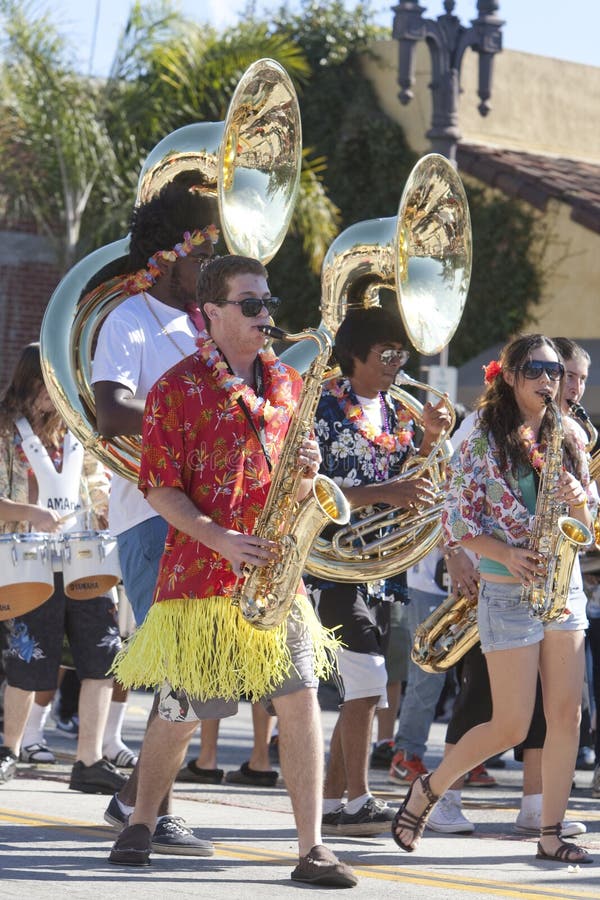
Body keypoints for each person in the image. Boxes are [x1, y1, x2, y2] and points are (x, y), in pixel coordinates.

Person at [106, 254, 357, 888]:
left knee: (301, 702)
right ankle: (139, 822)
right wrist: (220, 539)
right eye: (250, 304)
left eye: (267, 302)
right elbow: (160, 488)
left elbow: (301, 488)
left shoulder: (289, 387)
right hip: (202, 576)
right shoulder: (175, 387)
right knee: (182, 709)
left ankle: (312, 848)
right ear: (211, 313)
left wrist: (308, 467)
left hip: (277, 572)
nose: (265, 314)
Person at [392, 333, 595, 865]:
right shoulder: (480, 436)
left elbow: (589, 525)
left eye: (554, 369)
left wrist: (577, 503)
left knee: (565, 716)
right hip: (507, 589)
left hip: (561, 586)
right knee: (509, 723)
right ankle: (430, 788)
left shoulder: (568, 433)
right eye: (535, 369)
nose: (548, 379)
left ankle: (550, 832)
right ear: (508, 375)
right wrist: (505, 553)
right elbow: (458, 523)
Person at [304, 307, 451, 837]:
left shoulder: (393, 411)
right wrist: (383, 494)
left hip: (375, 567)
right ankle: (359, 798)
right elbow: (307, 489)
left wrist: (430, 442)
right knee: (366, 679)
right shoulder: (319, 408)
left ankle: (332, 804)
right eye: (387, 355)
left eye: (401, 355)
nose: (397, 364)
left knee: (362, 688)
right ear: (355, 356)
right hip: (328, 565)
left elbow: (408, 475)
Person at [0, 343, 125, 795]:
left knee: (102, 659)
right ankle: (10, 750)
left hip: (84, 556)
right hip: (29, 559)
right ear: (29, 382)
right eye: (45, 387)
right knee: (29, 660)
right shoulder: (4, 429)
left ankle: (89, 759)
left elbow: (95, 477)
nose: (53, 397)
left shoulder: (78, 427)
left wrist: (104, 503)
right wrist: (27, 511)